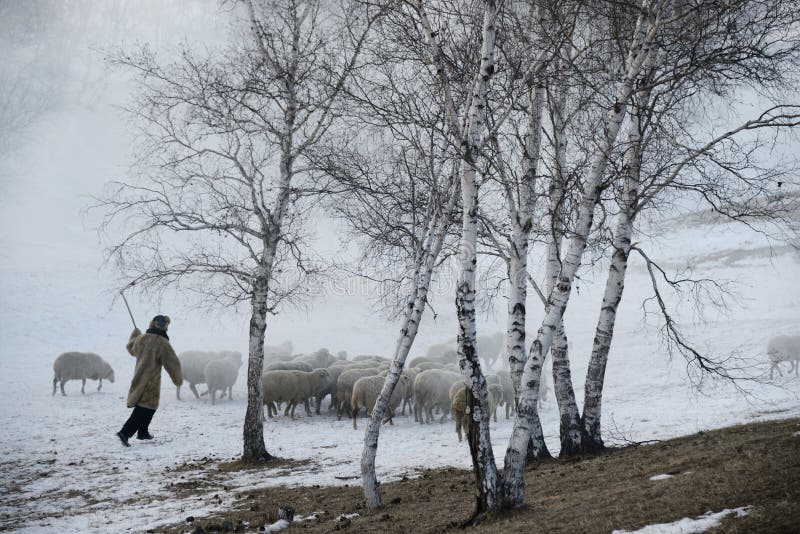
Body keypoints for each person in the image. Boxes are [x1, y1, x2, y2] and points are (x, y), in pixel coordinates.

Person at [116, 314, 183, 447]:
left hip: (139, 376)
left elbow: (131, 348)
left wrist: (135, 335)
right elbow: (172, 362)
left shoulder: (141, 338)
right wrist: (178, 379)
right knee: (145, 407)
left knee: (149, 406)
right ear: (165, 326)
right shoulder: (163, 343)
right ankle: (125, 432)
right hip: (151, 379)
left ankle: (143, 432)